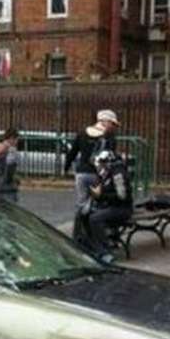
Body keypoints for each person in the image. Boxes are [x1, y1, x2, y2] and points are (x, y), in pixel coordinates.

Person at [66, 110, 132, 263]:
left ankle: (83, 241)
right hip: (93, 175)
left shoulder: (83, 133)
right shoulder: (109, 140)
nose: (114, 127)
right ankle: (89, 243)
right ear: (106, 121)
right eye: (113, 124)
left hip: (83, 174)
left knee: (84, 207)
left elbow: (73, 151)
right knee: (89, 209)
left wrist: (66, 167)